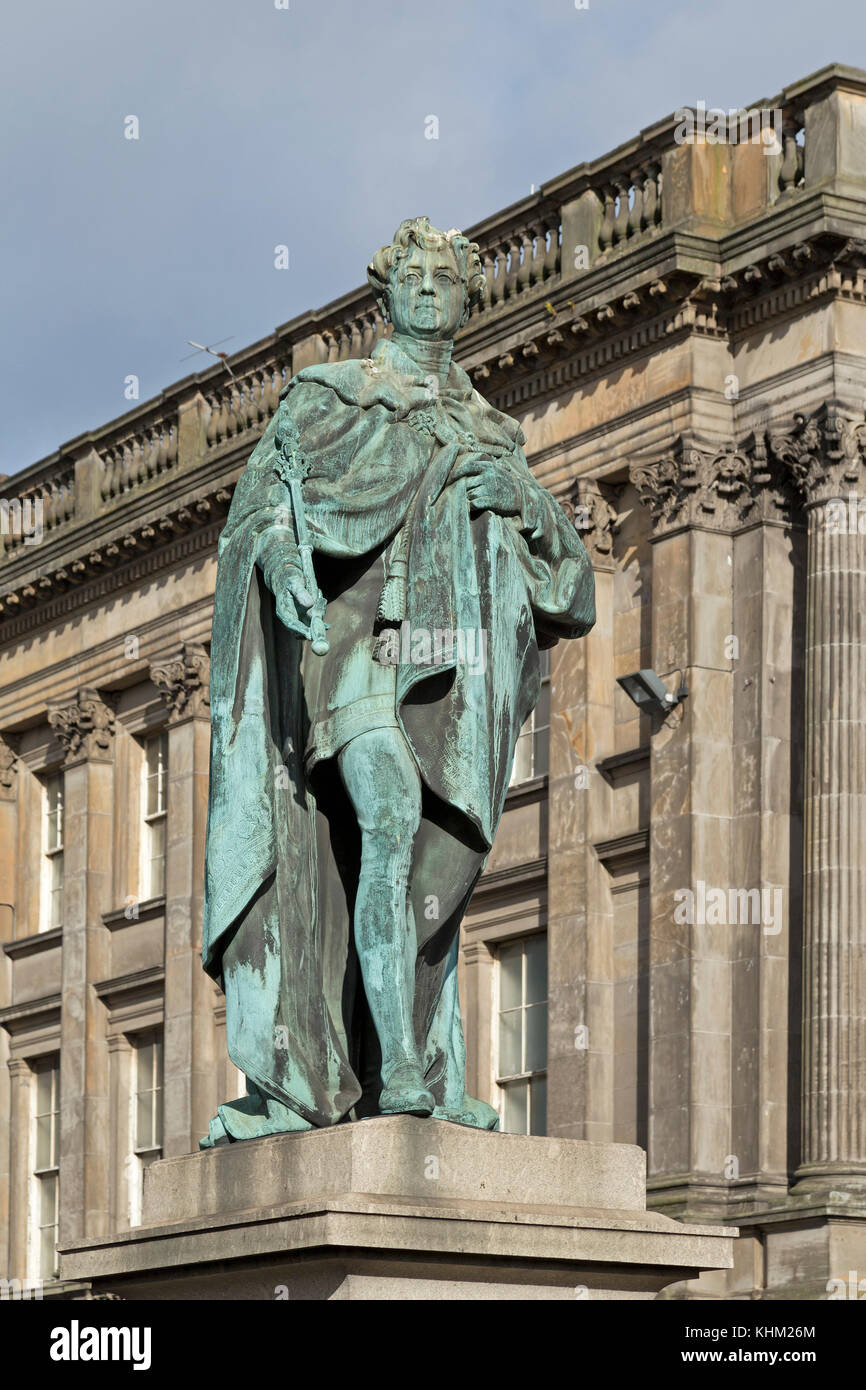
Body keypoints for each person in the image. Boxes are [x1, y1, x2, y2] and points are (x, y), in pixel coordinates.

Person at [200, 217, 595, 1146]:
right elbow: (260, 512)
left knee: (438, 876)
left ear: (466, 297)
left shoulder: (490, 430)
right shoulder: (331, 398)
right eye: (411, 275)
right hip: (358, 653)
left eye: (444, 277)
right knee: (383, 819)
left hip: (454, 672)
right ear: (387, 293)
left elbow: (567, 585)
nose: (428, 289)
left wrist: (524, 502)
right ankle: (407, 1079)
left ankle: (397, 1061)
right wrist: (287, 571)